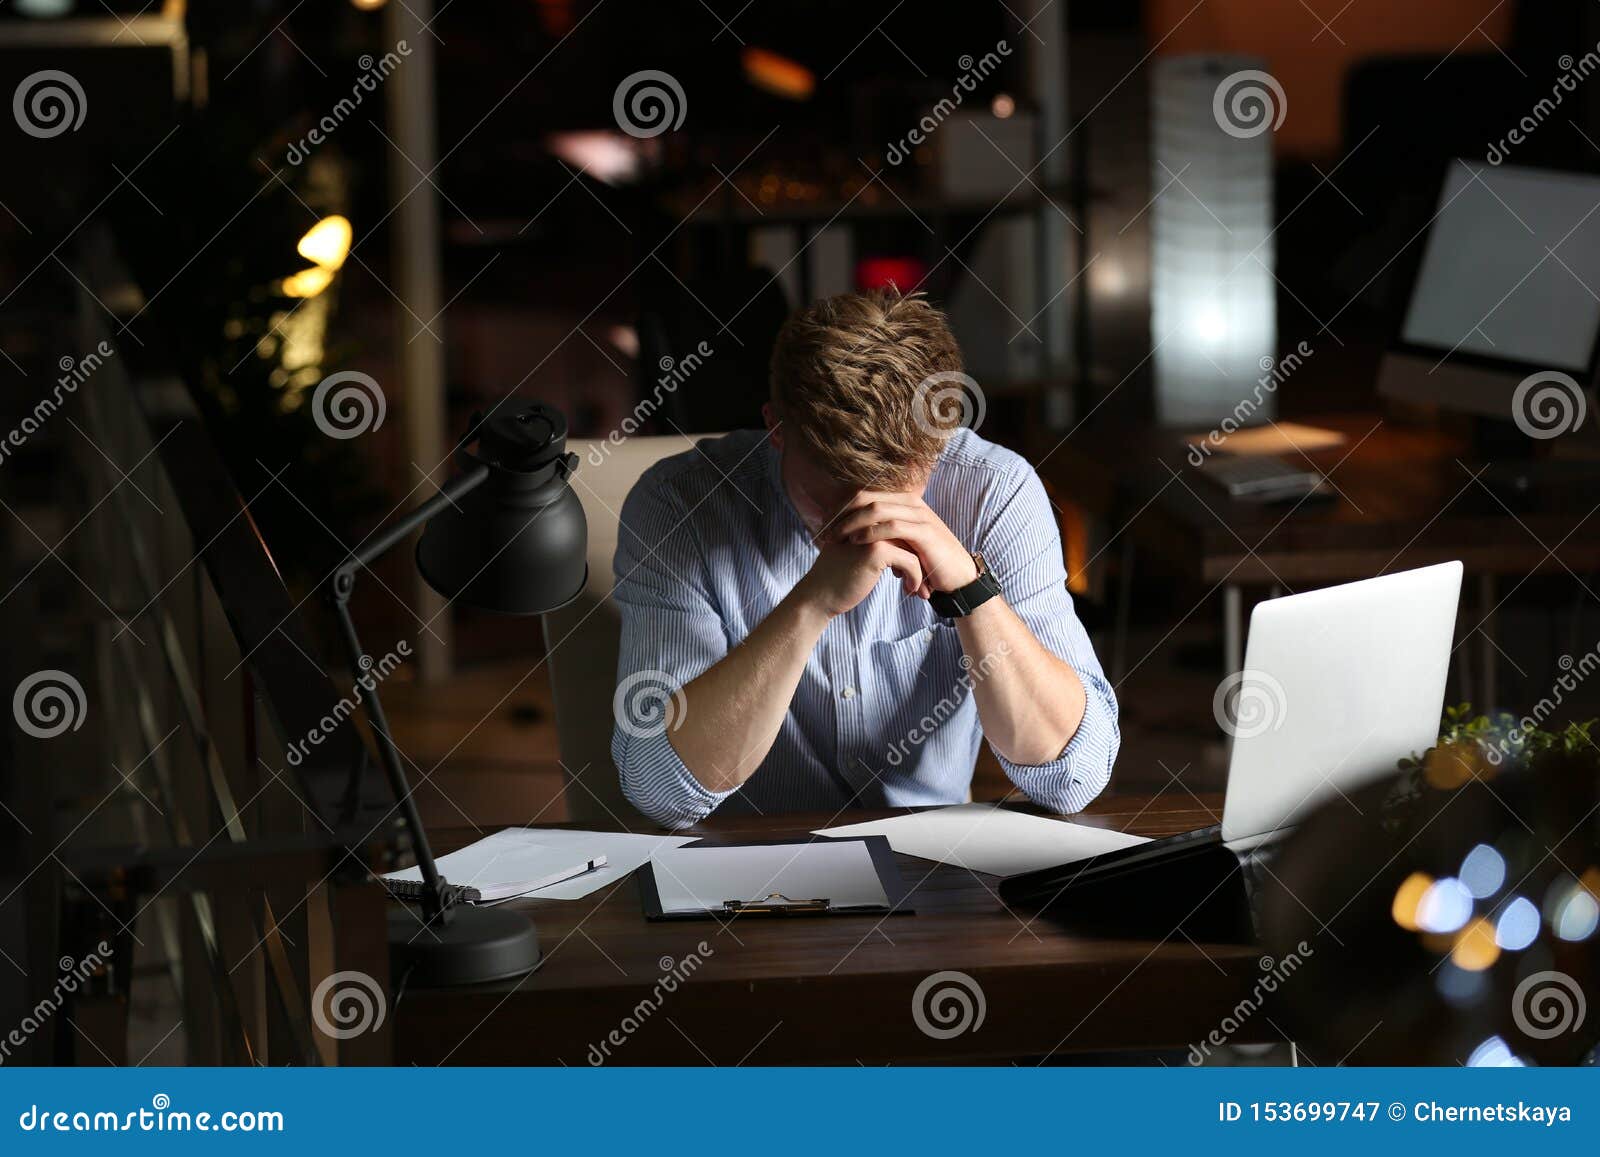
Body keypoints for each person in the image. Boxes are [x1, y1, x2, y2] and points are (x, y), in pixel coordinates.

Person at [610, 289, 1118, 828]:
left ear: (939, 443)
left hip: (933, 857)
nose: (867, 526)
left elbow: (1074, 777)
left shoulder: (994, 492)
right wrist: (811, 604)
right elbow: (661, 791)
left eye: (894, 493)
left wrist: (972, 592)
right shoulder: (679, 505)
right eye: (835, 496)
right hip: (746, 856)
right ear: (777, 430)